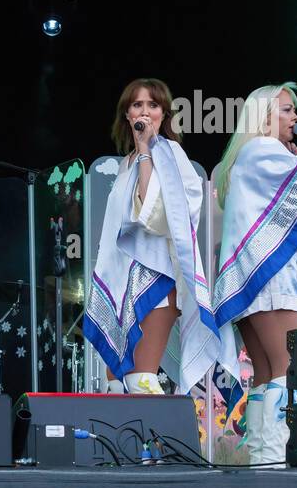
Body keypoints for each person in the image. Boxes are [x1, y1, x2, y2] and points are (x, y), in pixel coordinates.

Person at [213, 83, 297, 467]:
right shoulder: (263, 152)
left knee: (265, 374)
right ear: (262, 117)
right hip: (275, 282)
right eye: (286, 110)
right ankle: (278, 461)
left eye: (294, 111)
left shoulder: (247, 159)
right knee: (286, 371)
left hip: (254, 285)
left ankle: (262, 461)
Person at [84, 79, 237, 396]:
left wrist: (146, 151)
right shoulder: (125, 164)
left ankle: (157, 445)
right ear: (127, 115)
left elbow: (154, 214)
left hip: (155, 278)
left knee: (142, 380)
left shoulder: (171, 154)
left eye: (153, 105)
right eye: (137, 104)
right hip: (121, 281)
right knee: (115, 384)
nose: (145, 111)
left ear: (164, 114)